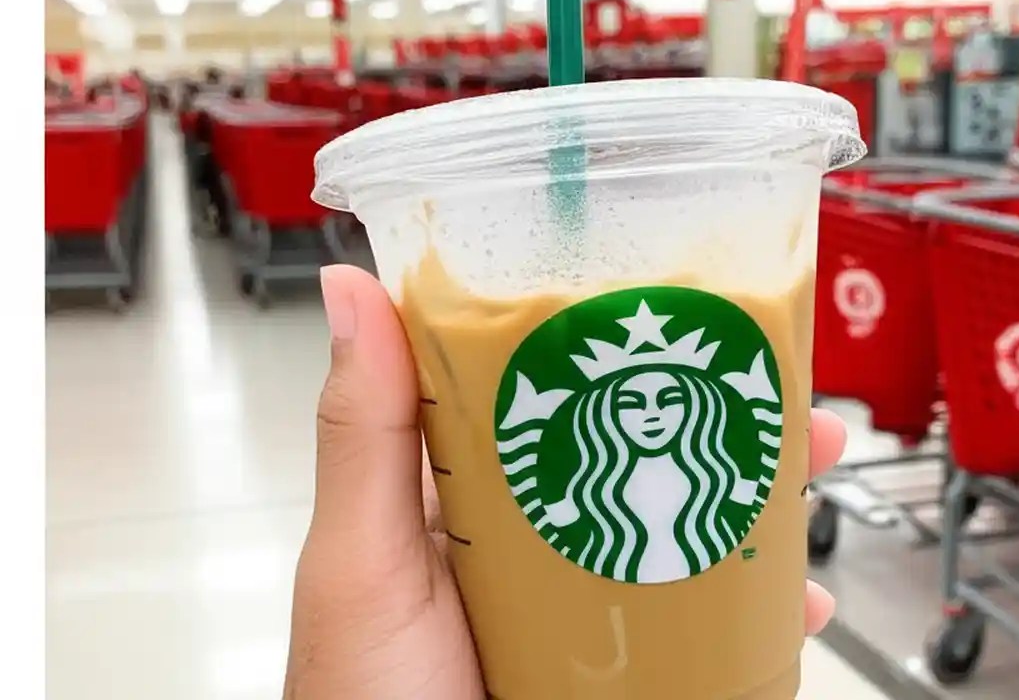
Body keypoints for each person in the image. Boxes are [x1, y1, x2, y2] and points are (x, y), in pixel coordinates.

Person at [284, 265, 845, 699]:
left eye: (671, 398)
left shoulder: (712, 491)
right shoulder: (592, 505)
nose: (651, 415)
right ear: (601, 414)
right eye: (630, 401)